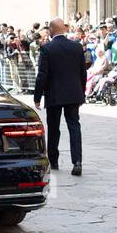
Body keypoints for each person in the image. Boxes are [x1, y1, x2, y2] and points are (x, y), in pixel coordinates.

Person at [33, 17, 86, 176]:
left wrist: (37, 96)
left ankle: (54, 160)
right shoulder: (76, 47)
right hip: (73, 93)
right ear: (63, 29)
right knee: (74, 126)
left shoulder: (47, 48)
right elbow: (82, 72)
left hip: (54, 93)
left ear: (50, 30)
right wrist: (81, 93)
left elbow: (42, 75)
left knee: (54, 128)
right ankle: (77, 161)